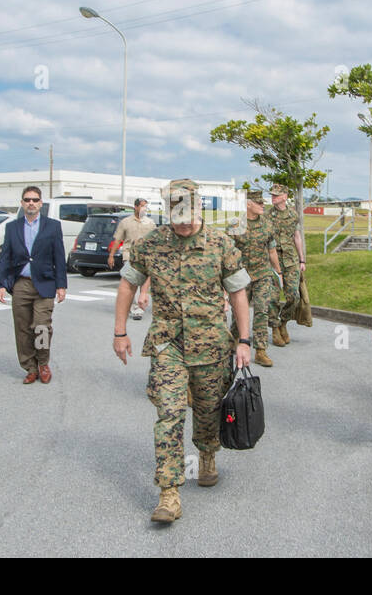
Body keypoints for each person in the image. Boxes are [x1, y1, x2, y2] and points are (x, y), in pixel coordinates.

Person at [112, 178, 253, 524]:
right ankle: (169, 493)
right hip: (167, 344)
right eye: (177, 219)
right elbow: (128, 284)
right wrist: (120, 332)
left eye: (189, 217)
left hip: (211, 345)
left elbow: (238, 294)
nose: (184, 225)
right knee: (170, 414)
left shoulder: (221, 244)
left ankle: (207, 453)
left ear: (199, 208)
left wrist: (245, 341)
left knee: (208, 411)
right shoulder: (152, 243)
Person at [0, 186, 67, 384]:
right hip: (21, 284)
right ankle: (30, 367)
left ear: (40, 204)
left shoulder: (52, 226)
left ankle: (43, 362)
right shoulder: (12, 227)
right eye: (27, 199)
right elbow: (6, 258)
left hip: (45, 284)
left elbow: (59, 258)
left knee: (41, 326)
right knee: (22, 329)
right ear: (22, 203)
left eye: (35, 200)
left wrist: (61, 285)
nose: (31, 203)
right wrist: (2, 284)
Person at [229, 189, 279, 367]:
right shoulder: (236, 224)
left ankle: (260, 350)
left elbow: (272, 250)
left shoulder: (267, 224)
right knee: (238, 313)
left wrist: (278, 272)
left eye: (263, 203)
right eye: (259, 203)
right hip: (241, 276)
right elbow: (228, 253)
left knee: (261, 310)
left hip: (262, 274)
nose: (262, 206)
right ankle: (235, 340)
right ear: (248, 204)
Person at [267, 183, 304, 347]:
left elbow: (297, 236)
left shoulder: (293, 215)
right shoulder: (267, 216)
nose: (273, 197)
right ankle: (275, 329)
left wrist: (302, 259)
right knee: (273, 297)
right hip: (272, 260)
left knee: (294, 296)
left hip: (290, 259)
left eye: (276, 195)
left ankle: (283, 322)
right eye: (272, 195)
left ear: (285, 197)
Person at [109, 197, 155, 320]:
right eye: (142, 206)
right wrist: (111, 255)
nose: (144, 208)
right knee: (131, 281)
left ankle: (141, 303)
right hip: (129, 255)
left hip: (146, 256)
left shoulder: (150, 223)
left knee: (144, 282)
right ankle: (133, 306)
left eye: (146, 206)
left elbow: (155, 241)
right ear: (135, 207)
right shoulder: (125, 222)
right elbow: (118, 239)